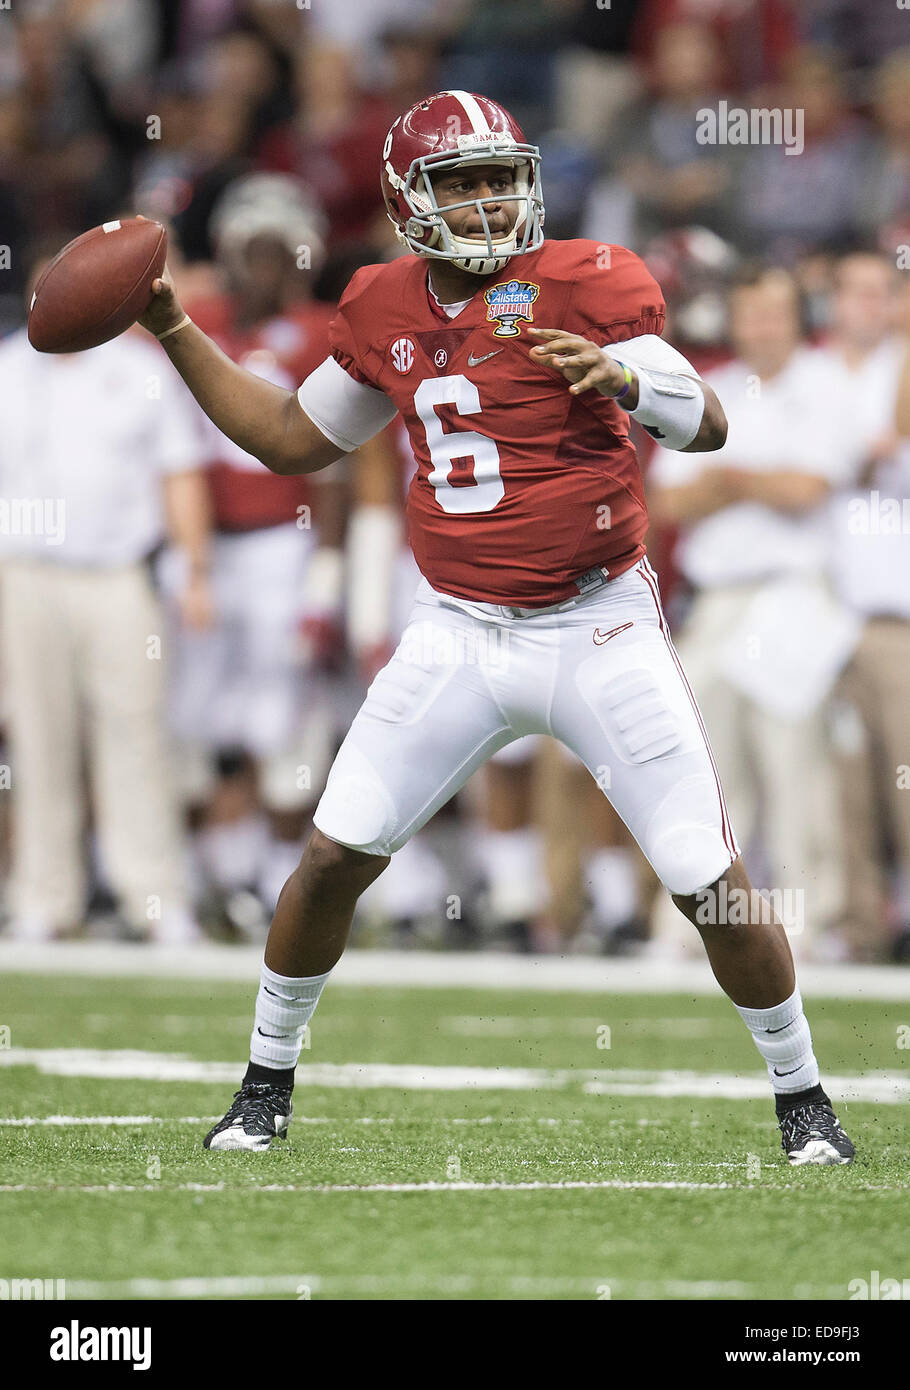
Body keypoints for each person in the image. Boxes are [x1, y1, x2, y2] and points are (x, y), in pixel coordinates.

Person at [137, 90, 855, 1166]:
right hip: (458, 630)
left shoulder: (588, 277)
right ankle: (264, 1084)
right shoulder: (382, 301)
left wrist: (620, 378)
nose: (486, 202)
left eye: (498, 176)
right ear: (405, 200)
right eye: (460, 182)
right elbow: (291, 439)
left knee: (708, 878)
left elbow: (706, 421)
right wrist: (172, 327)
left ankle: (804, 1100)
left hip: (597, 623)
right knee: (332, 856)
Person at [0, 255, 211, 944]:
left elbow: (180, 472)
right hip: (23, 572)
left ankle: (154, 897)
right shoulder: (8, 366)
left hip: (120, 573)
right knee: (37, 738)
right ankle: (43, 898)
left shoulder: (141, 370)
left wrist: (196, 572)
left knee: (137, 734)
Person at [648, 267, 858, 955]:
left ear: (799, 319)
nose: (762, 328)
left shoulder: (826, 383)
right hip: (718, 597)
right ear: (735, 321)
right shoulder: (712, 385)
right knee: (705, 768)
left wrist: (730, 479)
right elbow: (672, 500)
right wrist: (755, 482)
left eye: (775, 314)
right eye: (751, 314)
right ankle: (697, 927)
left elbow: (808, 487)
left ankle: (807, 919)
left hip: (794, 595)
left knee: (793, 762)